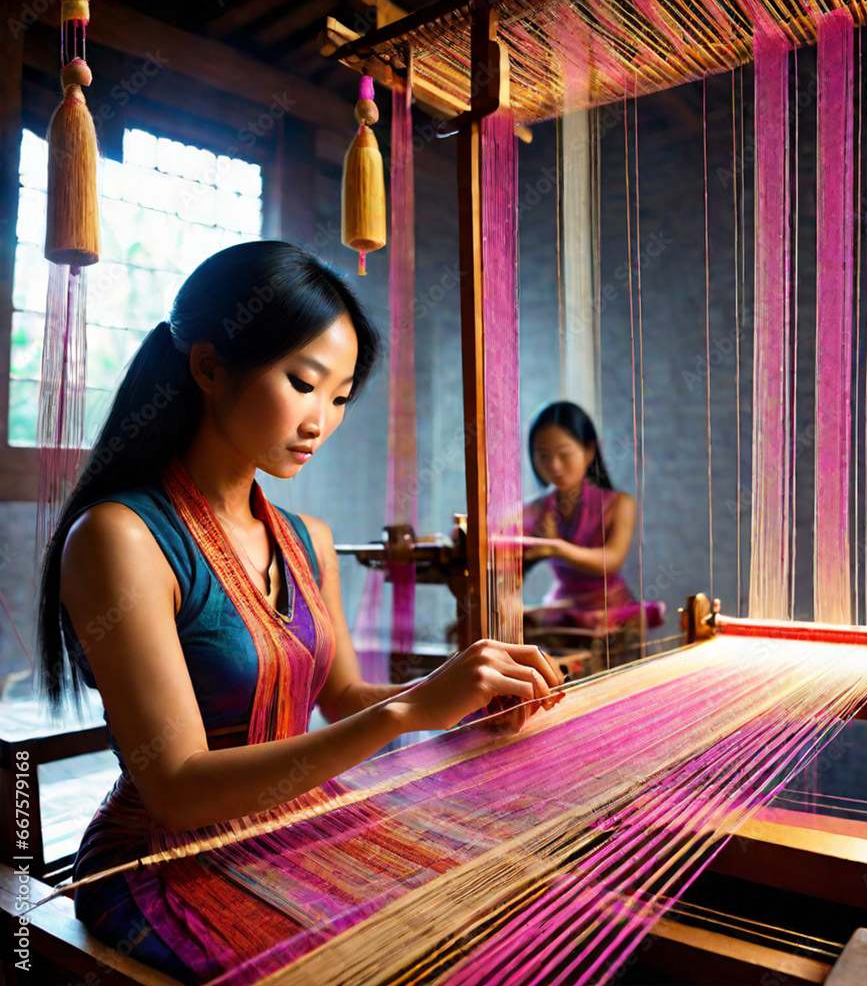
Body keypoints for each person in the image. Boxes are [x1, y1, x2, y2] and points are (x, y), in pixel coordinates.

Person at [38, 241, 562, 984]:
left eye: (341, 396)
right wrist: (408, 714)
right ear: (210, 367)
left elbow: (344, 698)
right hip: (166, 860)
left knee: (503, 922)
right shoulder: (121, 539)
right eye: (303, 382)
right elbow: (178, 788)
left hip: (302, 823)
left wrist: (466, 695)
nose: (322, 419)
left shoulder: (305, 541)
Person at [521, 401, 665, 632]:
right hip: (563, 606)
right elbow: (502, 537)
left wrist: (555, 547)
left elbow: (612, 559)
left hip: (609, 611)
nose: (554, 465)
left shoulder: (620, 504)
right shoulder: (536, 509)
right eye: (544, 456)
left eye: (564, 454)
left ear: (589, 452)